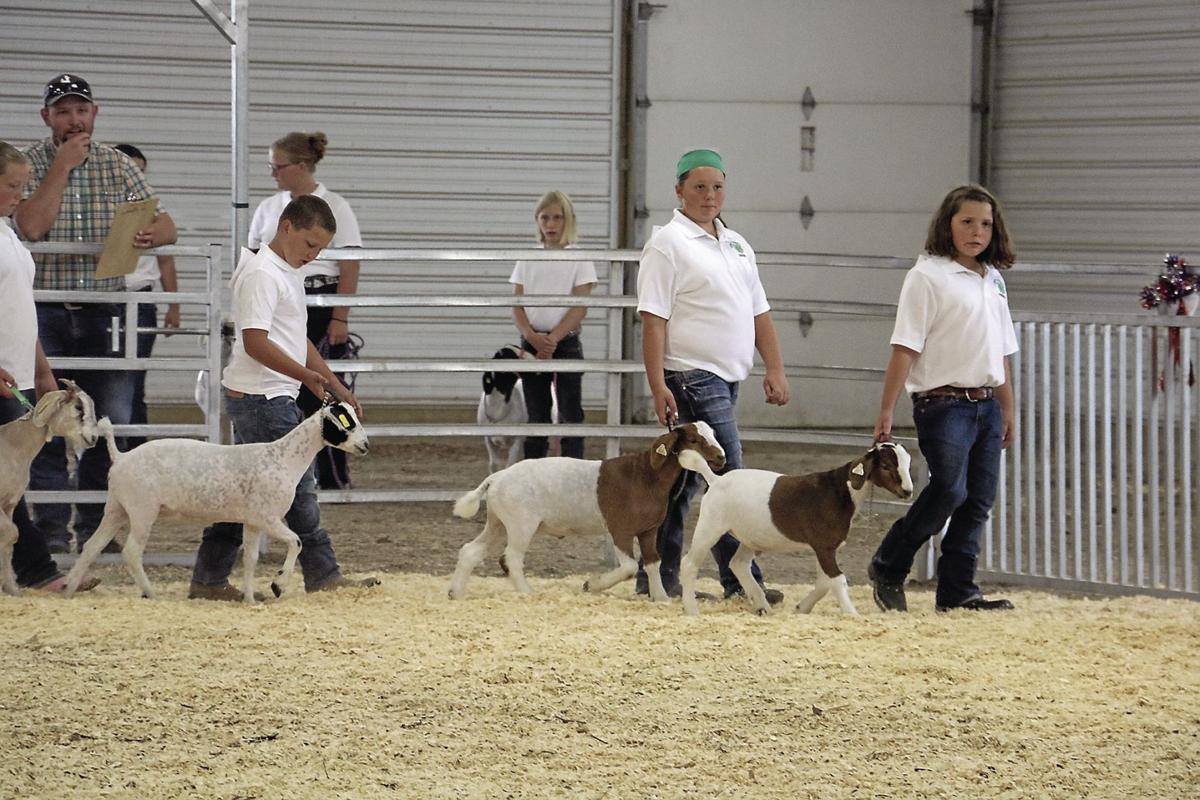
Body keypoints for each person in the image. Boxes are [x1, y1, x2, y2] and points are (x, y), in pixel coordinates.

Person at [13, 73, 177, 554]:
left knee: (108, 419)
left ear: (95, 113)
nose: (74, 119)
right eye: (63, 111)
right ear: (46, 117)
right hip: (45, 308)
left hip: (106, 306)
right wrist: (61, 167)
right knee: (44, 417)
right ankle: (49, 529)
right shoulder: (28, 162)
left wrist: (152, 234)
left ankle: (94, 528)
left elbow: (165, 223)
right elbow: (32, 226)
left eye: (81, 110)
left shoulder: (117, 164)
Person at [188, 194, 377, 601]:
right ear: (286, 226)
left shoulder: (285, 270)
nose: (314, 255)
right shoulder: (263, 274)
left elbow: (294, 338)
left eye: (321, 249)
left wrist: (333, 383)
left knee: (243, 493)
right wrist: (307, 377)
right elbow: (255, 342)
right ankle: (323, 574)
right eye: (310, 244)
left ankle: (208, 579)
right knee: (298, 487)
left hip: (267, 394)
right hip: (263, 397)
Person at [635, 148, 791, 602]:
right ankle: (741, 581)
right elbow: (653, 319)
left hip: (726, 377)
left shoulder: (737, 243)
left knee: (682, 482)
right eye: (699, 187)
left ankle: (656, 579)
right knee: (730, 476)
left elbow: (759, 311)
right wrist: (657, 383)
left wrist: (775, 367)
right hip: (691, 375)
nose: (709, 195)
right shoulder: (667, 244)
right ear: (679, 190)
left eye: (717, 187)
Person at [867, 184, 1017, 613]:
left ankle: (958, 591)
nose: (977, 231)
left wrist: (1008, 407)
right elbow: (905, 346)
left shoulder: (993, 279)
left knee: (978, 500)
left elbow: (1001, 351)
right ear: (947, 224)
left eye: (985, 224)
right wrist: (886, 409)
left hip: (986, 403)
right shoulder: (927, 276)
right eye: (967, 221)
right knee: (949, 489)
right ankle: (889, 564)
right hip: (943, 403)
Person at [0, 141, 99, 593]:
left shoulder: (8, 234)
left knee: (10, 486)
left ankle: (34, 571)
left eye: (23, 185)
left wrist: (41, 369)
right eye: (12, 185)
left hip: (15, 374)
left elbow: (19, 308)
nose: (20, 194)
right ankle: (38, 571)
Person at [248, 131, 361, 489]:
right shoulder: (268, 208)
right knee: (282, 387)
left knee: (323, 393)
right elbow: (252, 256)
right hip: (276, 299)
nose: (273, 174)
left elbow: (349, 263)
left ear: (300, 166)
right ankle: (288, 477)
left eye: (277, 167)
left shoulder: (335, 206)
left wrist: (340, 316)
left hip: (320, 301)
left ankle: (332, 476)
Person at [510, 190, 597, 459]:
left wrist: (553, 338)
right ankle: (534, 471)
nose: (551, 224)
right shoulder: (527, 257)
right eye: (545, 218)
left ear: (568, 220)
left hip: (566, 341)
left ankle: (572, 470)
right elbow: (517, 303)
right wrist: (530, 335)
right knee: (536, 413)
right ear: (537, 221)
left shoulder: (579, 257)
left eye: (557, 218)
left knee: (570, 412)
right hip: (533, 341)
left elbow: (580, 305)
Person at [113, 144, 181, 449]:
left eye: (140, 171)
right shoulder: (99, 207)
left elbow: (166, 259)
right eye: (130, 170)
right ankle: (105, 450)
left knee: (134, 379)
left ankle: (137, 449)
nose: (135, 177)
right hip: (105, 299)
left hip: (140, 299)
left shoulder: (153, 210)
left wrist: (174, 305)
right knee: (105, 378)